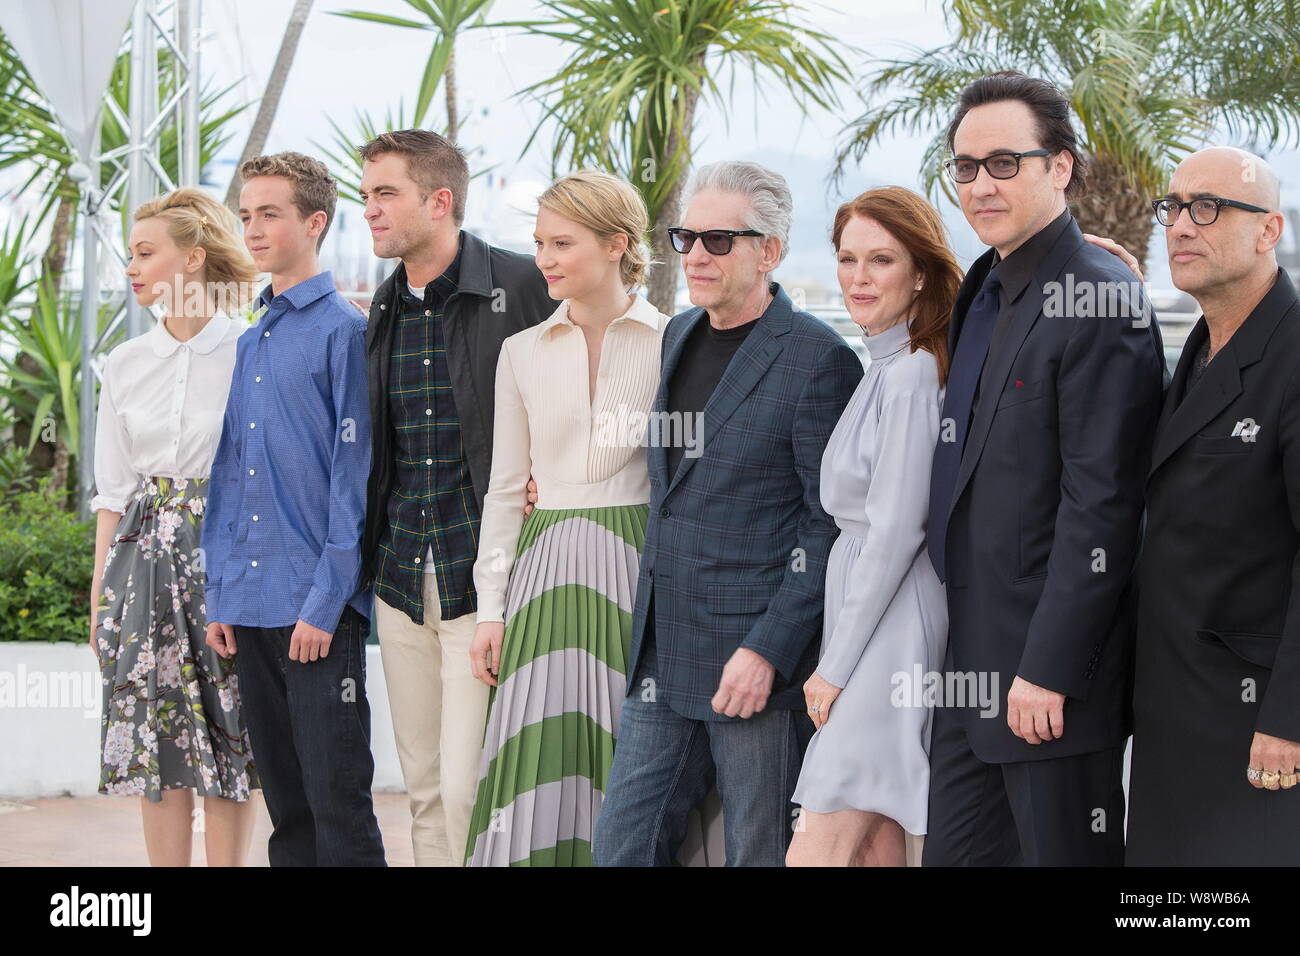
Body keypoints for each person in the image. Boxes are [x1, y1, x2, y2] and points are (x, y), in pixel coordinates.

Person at [923, 72, 1165, 866]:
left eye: (1004, 162)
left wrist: (1049, 671)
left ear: (1059, 167)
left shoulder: (1101, 297)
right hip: (969, 676)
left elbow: (1104, 505)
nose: (980, 184)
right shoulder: (986, 285)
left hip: (1047, 689)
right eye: (964, 166)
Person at [593, 161, 863, 866]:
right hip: (662, 646)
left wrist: (767, 650)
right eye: (686, 237)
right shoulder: (679, 333)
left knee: (759, 851)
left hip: (755, 667)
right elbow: (677, 481)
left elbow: (827, 525)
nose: (695, 256)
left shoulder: (819, 361)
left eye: (719, 240)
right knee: (622, 842)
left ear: (769, 250)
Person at [358, 129, 554, 867]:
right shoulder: (381, 311)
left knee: (473, 785)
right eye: (366, 192)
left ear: (440, 201)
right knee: (423, 786)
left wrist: (553, 474)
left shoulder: (522, 283)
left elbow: (576, 384)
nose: (370, 209)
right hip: (403, 580)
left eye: (386, 193)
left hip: (487, 582)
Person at [463, 170, 668, 866]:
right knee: (540, 752)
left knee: (632, 759)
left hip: (640, 570)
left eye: (562, 242)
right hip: (542, 571)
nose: (544, 258)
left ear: (617, 243)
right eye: (539, 242)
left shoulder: (675, 343)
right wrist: (491, 608)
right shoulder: (520, 352)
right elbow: (502, 489)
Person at [203, 152, 385, 866]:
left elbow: (356, 478)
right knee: (285, 807)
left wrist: (325, 601)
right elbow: (230, 474)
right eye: (246, 214)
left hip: (316, 610)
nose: (252, 227)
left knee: (338, 805)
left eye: (269, 213)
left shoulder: (344, 330)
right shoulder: (252, 340)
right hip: (248, 606)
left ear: (315, 221)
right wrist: (223, 590)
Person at [1127, 147, 1300, 865]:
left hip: (1255, 729)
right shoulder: (1195, 348)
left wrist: (1289, 720)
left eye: (1209, 208)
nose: (1181, 227)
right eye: (1172, 208)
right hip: (1169, 716)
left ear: (1269, 232)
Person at [787, 187, 960, 867]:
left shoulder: (914, 373)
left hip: (892, 627)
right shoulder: (884, 365)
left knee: (821, 840)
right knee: (877, 844)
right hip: (867, 610)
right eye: (847, 258)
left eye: (880, 260)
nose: (858, 277)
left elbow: (895, 531)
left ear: (920, 271)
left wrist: (832, 668)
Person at [91, 187, 260, 866]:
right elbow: (113, 492)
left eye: (144, 252)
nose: (131, 267)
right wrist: (101, 597)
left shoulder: (249, 350)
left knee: (231, 732)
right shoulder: (126, 364)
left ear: (193, 259)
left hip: (227, 550)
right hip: (142, 560)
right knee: (150, 737)